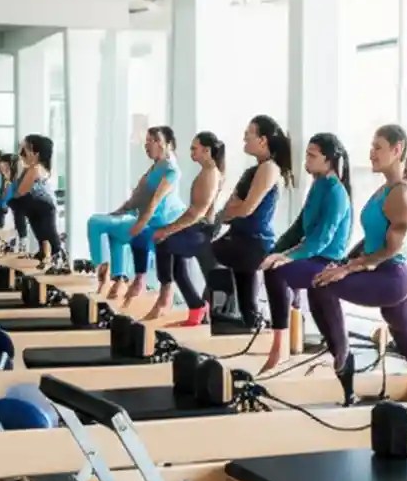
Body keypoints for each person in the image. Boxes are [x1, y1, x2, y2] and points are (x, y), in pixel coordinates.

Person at [307, 124, 407, 404]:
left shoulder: (402, 193)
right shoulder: (384, 190)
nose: (371, 153)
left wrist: (349, 269)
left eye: (378, 147)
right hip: (387, 273)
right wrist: (343, 262)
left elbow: (391, 248)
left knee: (323, 288)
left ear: (397, 149)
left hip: (393, 276)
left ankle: (343, 357)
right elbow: (371, 240)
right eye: (371, 147)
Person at [258, 133, 353, 372]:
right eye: (307, 154)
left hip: (326, 261)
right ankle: (285, 340)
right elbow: (299, 226)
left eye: (312, 155)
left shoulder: (335, 192)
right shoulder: (318, 185)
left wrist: (286, 257)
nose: (306, 160)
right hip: (313, 256)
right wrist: (275, 250)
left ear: (329, 160)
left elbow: (321, 240)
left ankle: (280, 347)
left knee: (277, 272)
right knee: (272, 265)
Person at [210, 114, 292, 328]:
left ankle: (202, 312)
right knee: (249, 311)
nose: (244, 138)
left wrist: (234, 207)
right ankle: (247, 320)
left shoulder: (269, 168)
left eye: (249, 134)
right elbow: (228, 209)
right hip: (240, 239)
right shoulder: (254, 170)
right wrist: (232, 208)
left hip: (251, 243)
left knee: (200, 250)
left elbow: (246, 208)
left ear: (263, 140)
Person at [87, 126, 184, 297]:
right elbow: (136, 199)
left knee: (94, 222)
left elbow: (155, 202)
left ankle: (102, 270)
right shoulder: (154, 168)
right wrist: (117, 212)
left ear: (168, 144)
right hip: (141, 219)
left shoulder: (171, 170)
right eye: (147, 141)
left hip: (152, 225)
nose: (148, 145)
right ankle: (119, 279)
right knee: (112, 233)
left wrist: (140, 225)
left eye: (154, 140)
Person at [142, 131, 226, 323]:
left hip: (202, 232)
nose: (191, 152)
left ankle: (165, 296)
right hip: (198, 228)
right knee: (179, 266)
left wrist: (168, 229)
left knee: (163, 242)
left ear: (207, 150)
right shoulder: (207, 171)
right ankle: (196, 307)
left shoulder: (210, 174)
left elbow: (197, 213)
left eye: (194, 148)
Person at [13, 135, 63, 262]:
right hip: (41, 206)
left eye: (25, 150)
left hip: (44, 206)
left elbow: (20, 191)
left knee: (49, 234)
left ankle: (59, 255)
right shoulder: (36, 168)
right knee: (42, 233)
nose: (21, 154)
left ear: (36, 154)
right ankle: (45, 252)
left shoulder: (35, 169)